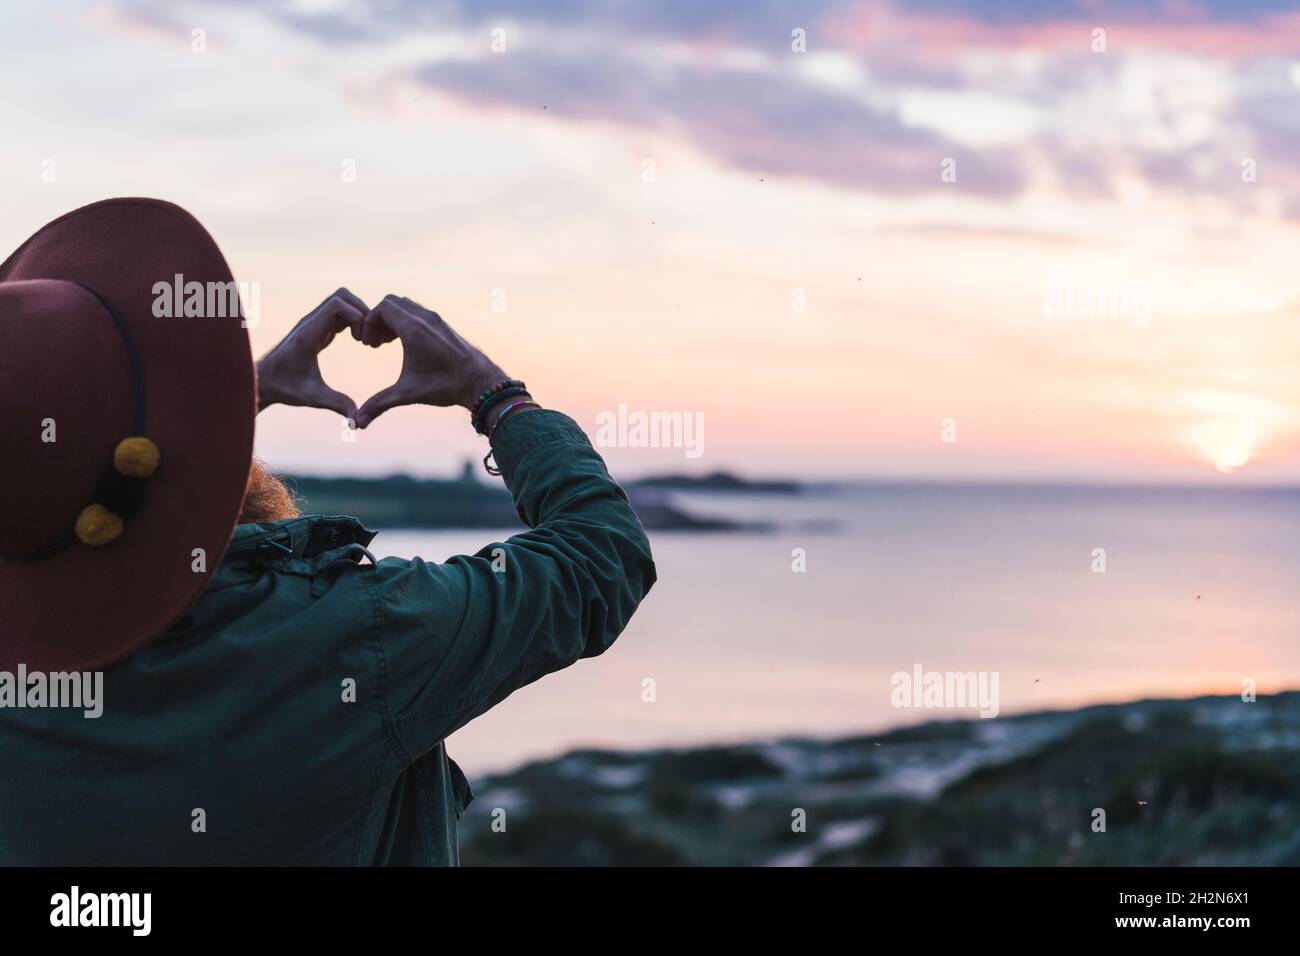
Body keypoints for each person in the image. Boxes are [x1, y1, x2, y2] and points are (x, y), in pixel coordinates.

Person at [0, 198, 656, 865]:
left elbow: (71, 470)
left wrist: (225, 402)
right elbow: (600, 558)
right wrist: (494, 395)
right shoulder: (348, 640)